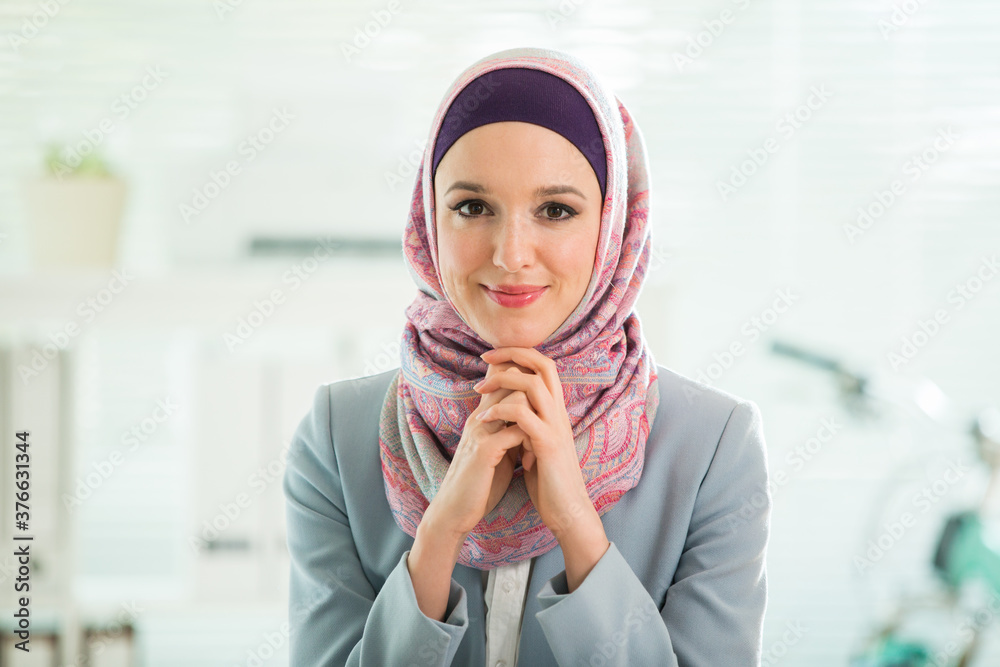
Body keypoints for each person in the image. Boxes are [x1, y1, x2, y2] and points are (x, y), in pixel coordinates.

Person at [283, 45, 772, 666]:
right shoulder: (336, 437)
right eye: (473, 207)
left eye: (556, 210)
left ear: (613, 226)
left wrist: (577, 525)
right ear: (428, 221)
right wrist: (436, 538)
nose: (512, 253)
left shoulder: (712, 449)